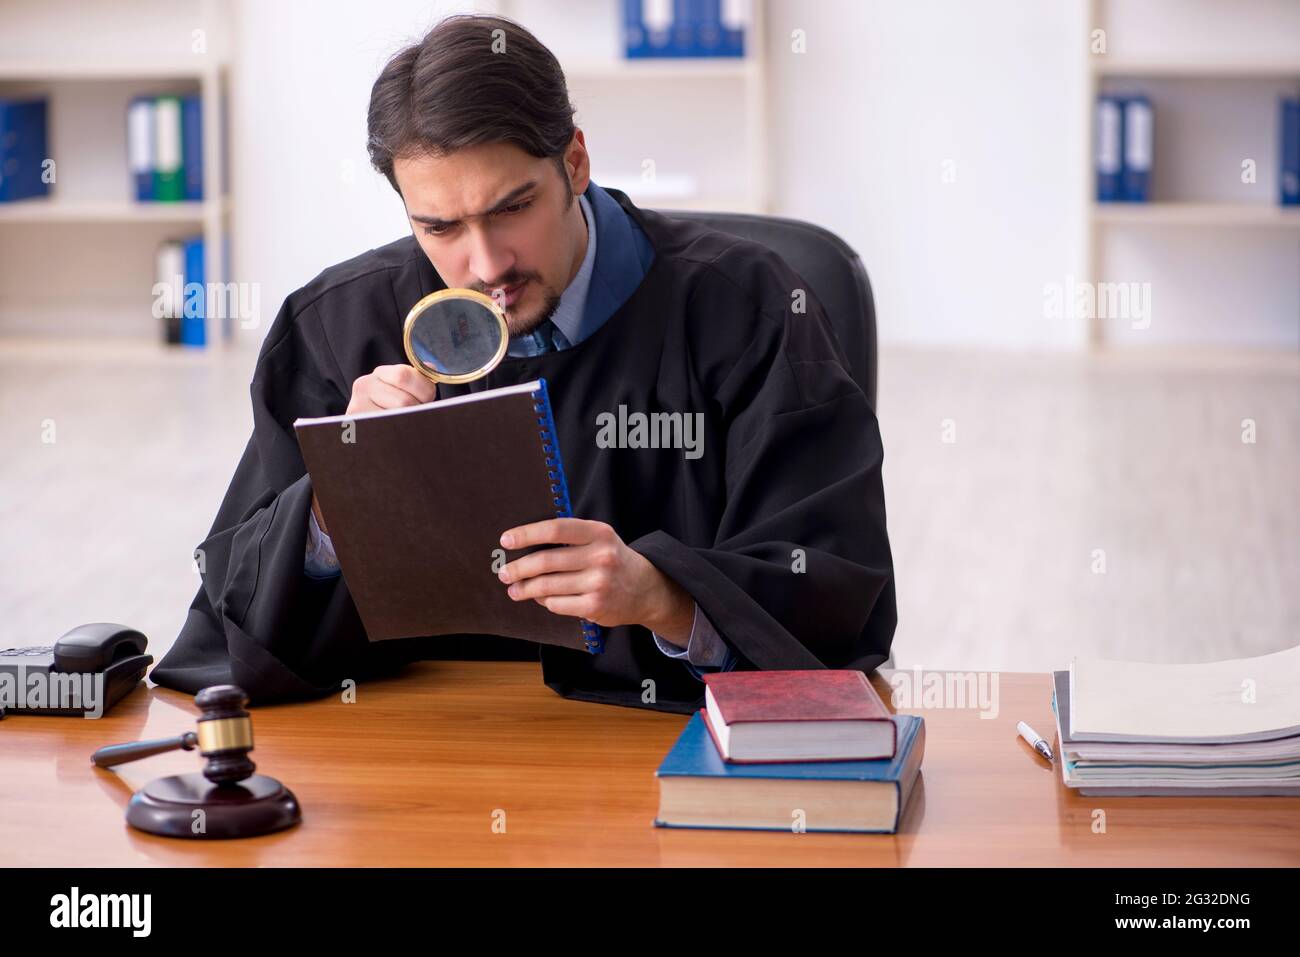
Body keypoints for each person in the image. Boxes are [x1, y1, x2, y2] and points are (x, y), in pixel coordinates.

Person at [150, 14, 896, 715]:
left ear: (574, 160)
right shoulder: (334, 327)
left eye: (512, 208)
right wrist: (333, 505)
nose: (485, 266)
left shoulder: (753, 310)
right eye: (439, 226)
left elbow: (834, 587)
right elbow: (229, 615)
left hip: (655, 758)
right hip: (417, 758)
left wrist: (667, 597)